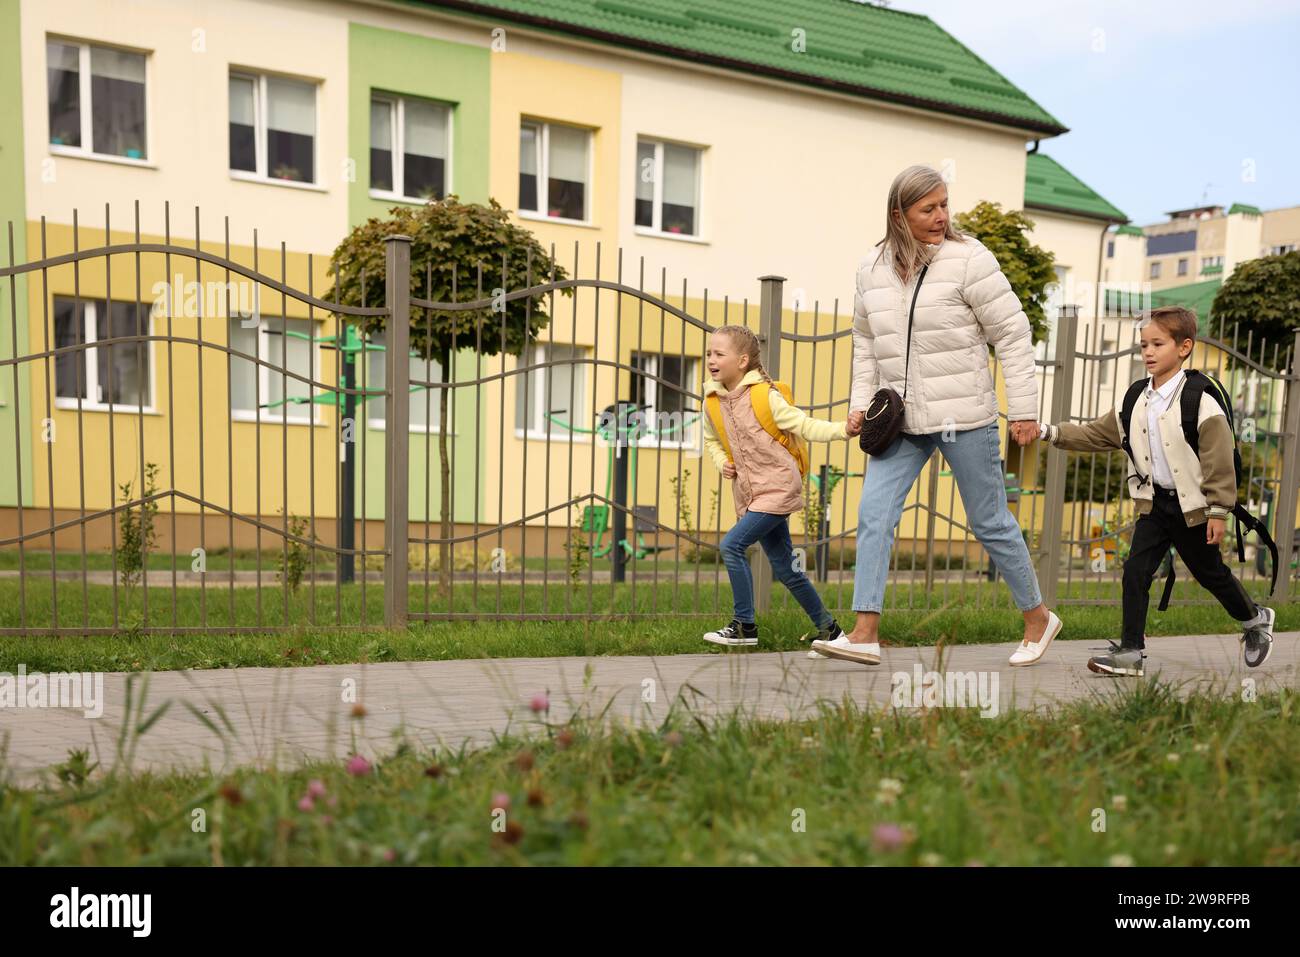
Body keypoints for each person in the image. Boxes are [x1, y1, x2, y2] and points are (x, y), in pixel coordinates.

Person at [814, 163, 1062, 667]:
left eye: (945, 205)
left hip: (963, 413)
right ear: (898, 213)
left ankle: (1038, 618)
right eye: (928, 208)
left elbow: (1012, 335)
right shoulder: (871, 267)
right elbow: (865, 341)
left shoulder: (969, 259)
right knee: (873, 515)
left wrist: (1023, 410)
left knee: (988, 520)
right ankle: (864, 633)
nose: (941, 216)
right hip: (899, 419)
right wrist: (860, 403)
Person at [1035, 305, 1276, 676]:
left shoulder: (1200, 398)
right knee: (1135, 571)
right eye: (1144, 344)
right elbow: (1098, 434)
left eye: (1157, 344)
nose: (1147, 352)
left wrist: (1218, 511)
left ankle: (1255, 620)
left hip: (1194, 508)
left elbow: (1219, 460)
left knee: (1210, 574)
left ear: (1184, 347)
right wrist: (1049, 432)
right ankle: (1131, 652)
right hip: (1155, 505)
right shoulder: (1136, 398)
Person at [700, 324, 859, 648]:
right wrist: (722, 462)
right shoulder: (712, 402)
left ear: (742, 360)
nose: (711, 359)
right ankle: (831, 631)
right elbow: (711, 440)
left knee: (732, 546)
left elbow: (804, 425)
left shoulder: (764, 397)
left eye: (719, 353)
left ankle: (744, 626)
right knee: (786, 568)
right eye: (708, 353)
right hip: (750, 493)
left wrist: (844, 430)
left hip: (778, 489)